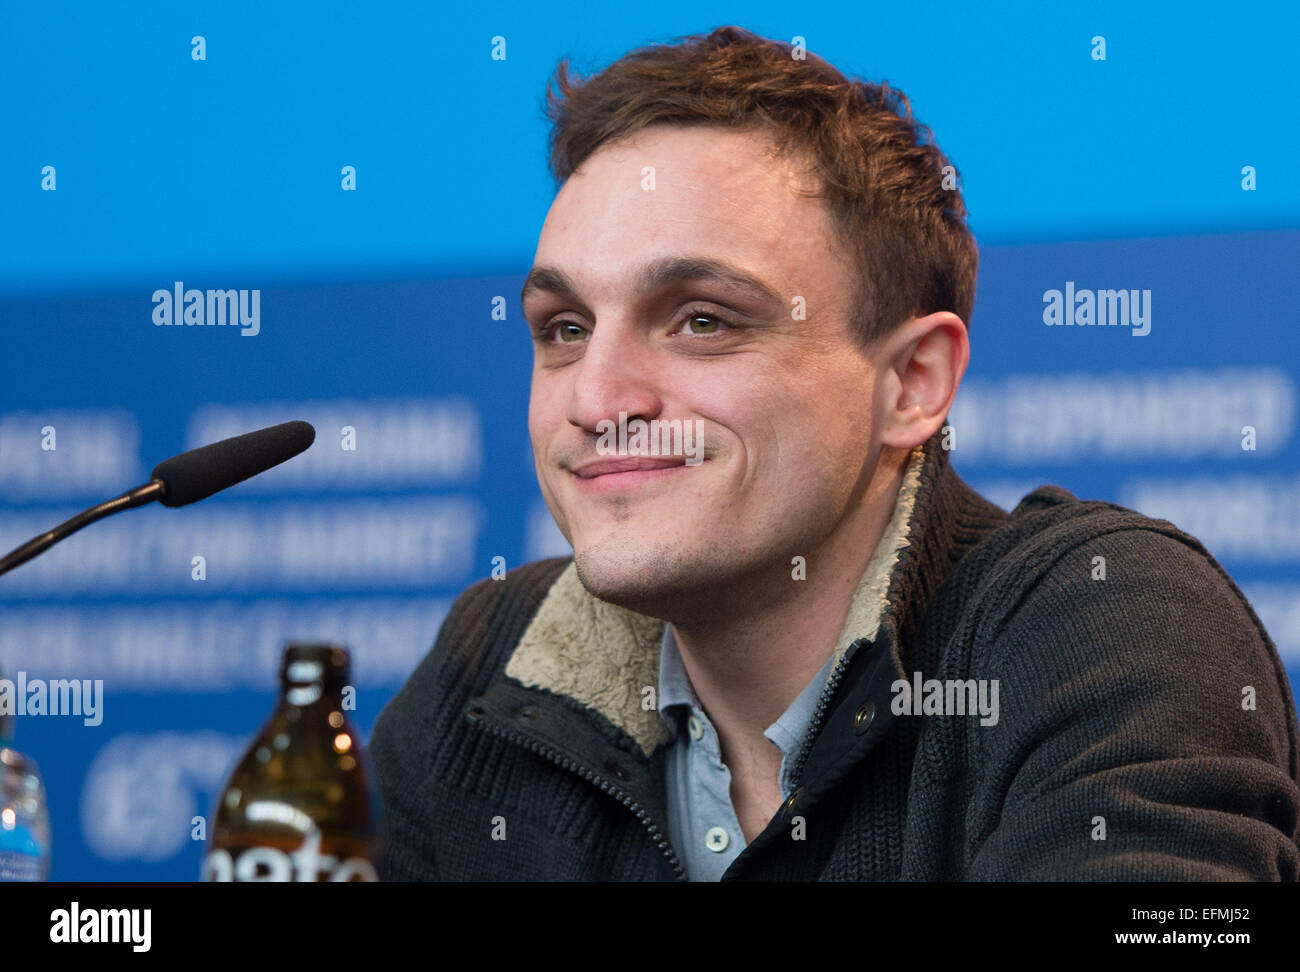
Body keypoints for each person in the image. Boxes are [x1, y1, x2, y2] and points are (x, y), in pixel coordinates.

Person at [370, 25, 1300, 880]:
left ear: (912, 384)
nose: (597, 400)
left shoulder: (1109, 618)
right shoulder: (484, 672)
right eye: (566, 327)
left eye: (701, 320)